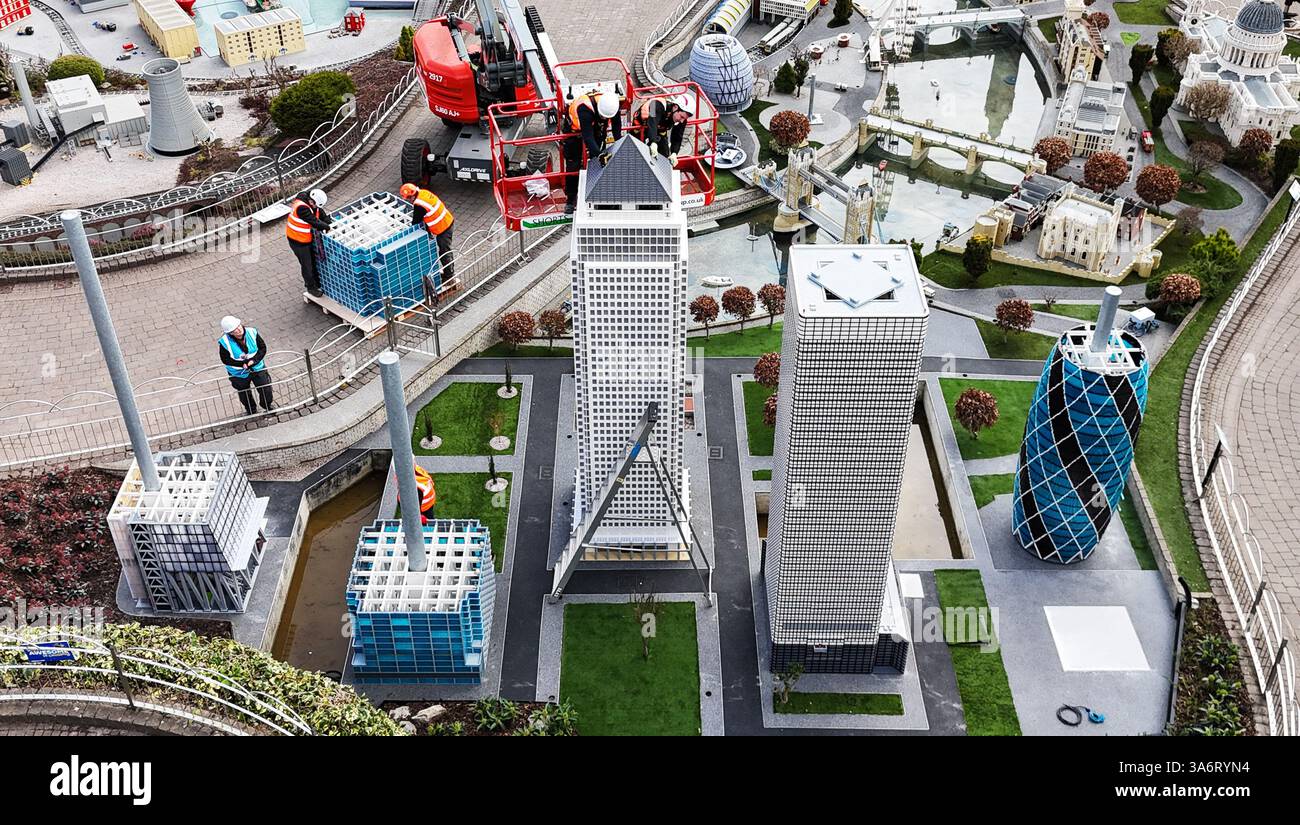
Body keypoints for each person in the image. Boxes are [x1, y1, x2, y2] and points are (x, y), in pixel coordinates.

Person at [562, 90, 622, 212]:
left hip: (596, 128)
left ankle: (601, 194)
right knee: (573, 164)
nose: (605, 118)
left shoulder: (613, 107)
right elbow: (587, 136)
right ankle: (571, 199)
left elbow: (616, 129)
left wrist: (620, 144)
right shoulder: (585, 108)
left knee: (600, 161)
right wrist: (599, 154)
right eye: (603, 117)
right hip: (574, 133)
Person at [399, 182, 455, 285]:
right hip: (446, 220)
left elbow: (416, 221)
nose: (408, 201)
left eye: (408, 198)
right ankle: (448, 274)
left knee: (444, 252)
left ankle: (450, 277)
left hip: (443, 227)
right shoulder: (423, 193)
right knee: (444, 251)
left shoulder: (419, 205)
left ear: (412, 196)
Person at [218, 316, 273, 416]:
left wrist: (254, 360)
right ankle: (251, 409)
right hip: (238, 373)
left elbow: (262, 348)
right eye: (235, 330)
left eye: (239, 326)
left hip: (257, 367)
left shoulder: (252, 332)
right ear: (230, 333)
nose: (239, 330)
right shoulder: (224, 342)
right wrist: (241, 364)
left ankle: (267, 406)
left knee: (265, 388)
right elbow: (225, 359)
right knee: (244, 393)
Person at [286, 189, 331, 297]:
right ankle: (311, 287)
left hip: (305, 239)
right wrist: (327, 227)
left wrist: (327, 220)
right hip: (298, 241)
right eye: (315, 205)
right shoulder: (302, 208)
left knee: (312, 262)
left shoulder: (309, 198)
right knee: (307, 265)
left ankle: (317, 282)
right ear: (311, 202)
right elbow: (314, 221)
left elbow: (319, 212)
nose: (316, 208)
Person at [632, 95, 691, 166]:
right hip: (640, 128)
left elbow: (677, 137)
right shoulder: (655, 105)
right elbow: (652, 122)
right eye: (681, 117)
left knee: (664, 155)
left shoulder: (681, 120)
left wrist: (674, 153)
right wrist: (653, 142)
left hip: (659, 130)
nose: (682, 121)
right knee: (635, 153)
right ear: (675, 107)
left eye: (684, 118)